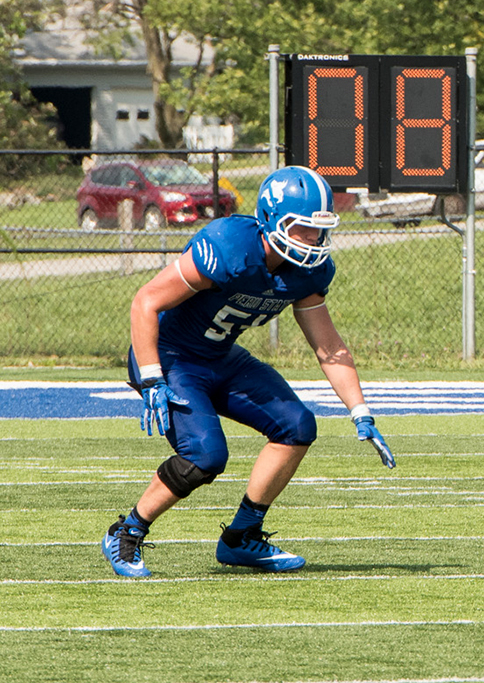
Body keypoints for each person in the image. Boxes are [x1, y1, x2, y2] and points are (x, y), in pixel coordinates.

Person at [100, 166, 395, 578]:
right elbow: (145, 302)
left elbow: (328, 346)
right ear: (273, 220)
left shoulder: (307, 271)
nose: (314, 240)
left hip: (219, 355)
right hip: (171, 356)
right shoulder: (228, 246)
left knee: (297, 425)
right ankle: (126, 531)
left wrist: (359, 409)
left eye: (319, 230)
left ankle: (241, 538)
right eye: (304, 228)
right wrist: (151, 376)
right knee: (205, 456)